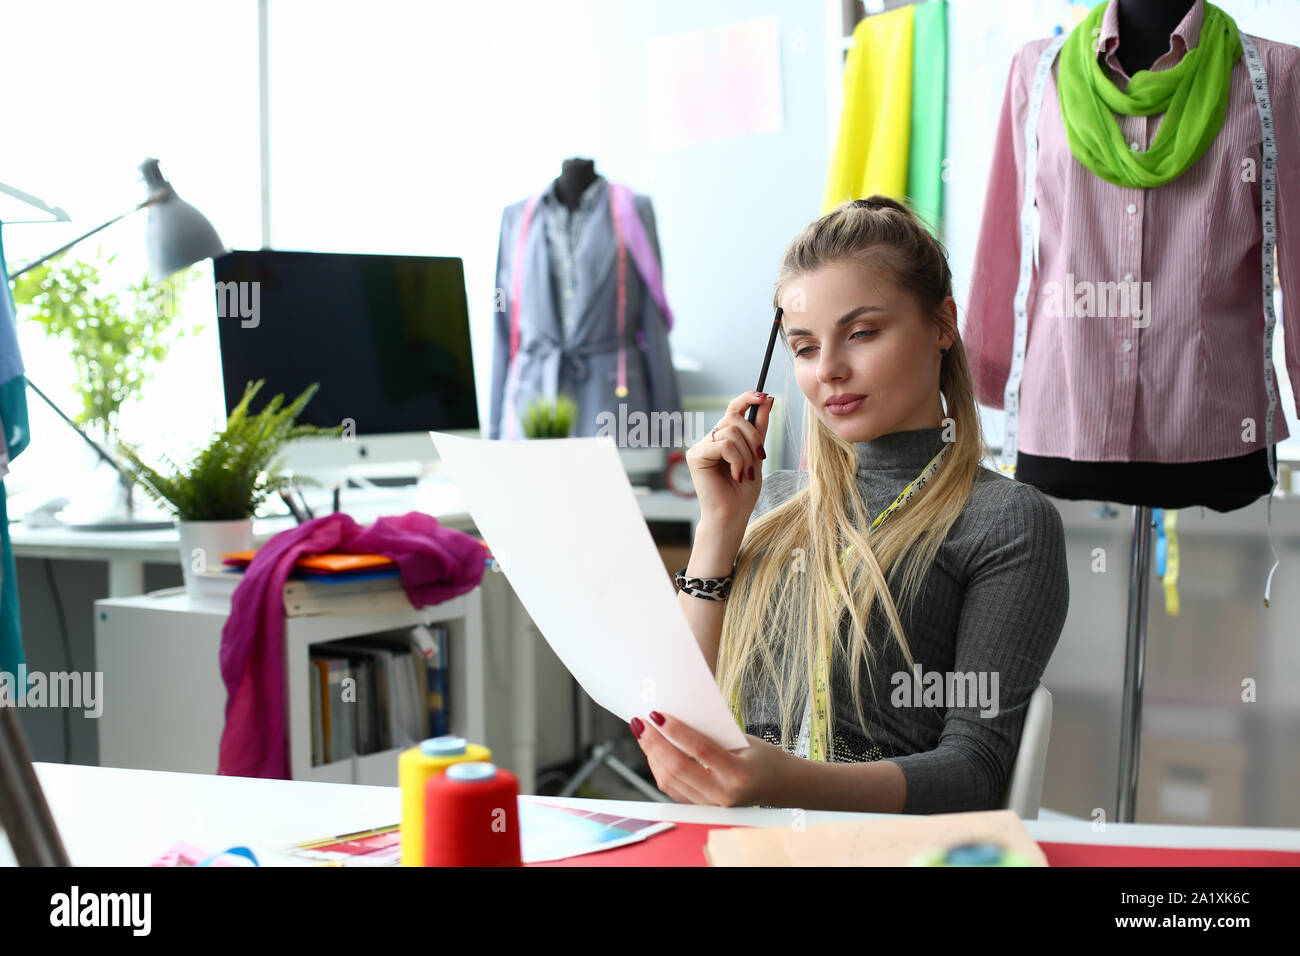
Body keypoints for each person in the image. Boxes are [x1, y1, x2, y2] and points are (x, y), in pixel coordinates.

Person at [630, 196, 1070, 814]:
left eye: (861, 333)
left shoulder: (1004, 521)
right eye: (805, 347)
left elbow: (977, 772)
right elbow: (675, 727)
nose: (829, 370)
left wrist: (784, 780)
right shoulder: (769, 503)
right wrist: (719, 527)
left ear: (943, 325)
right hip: (737, 845)